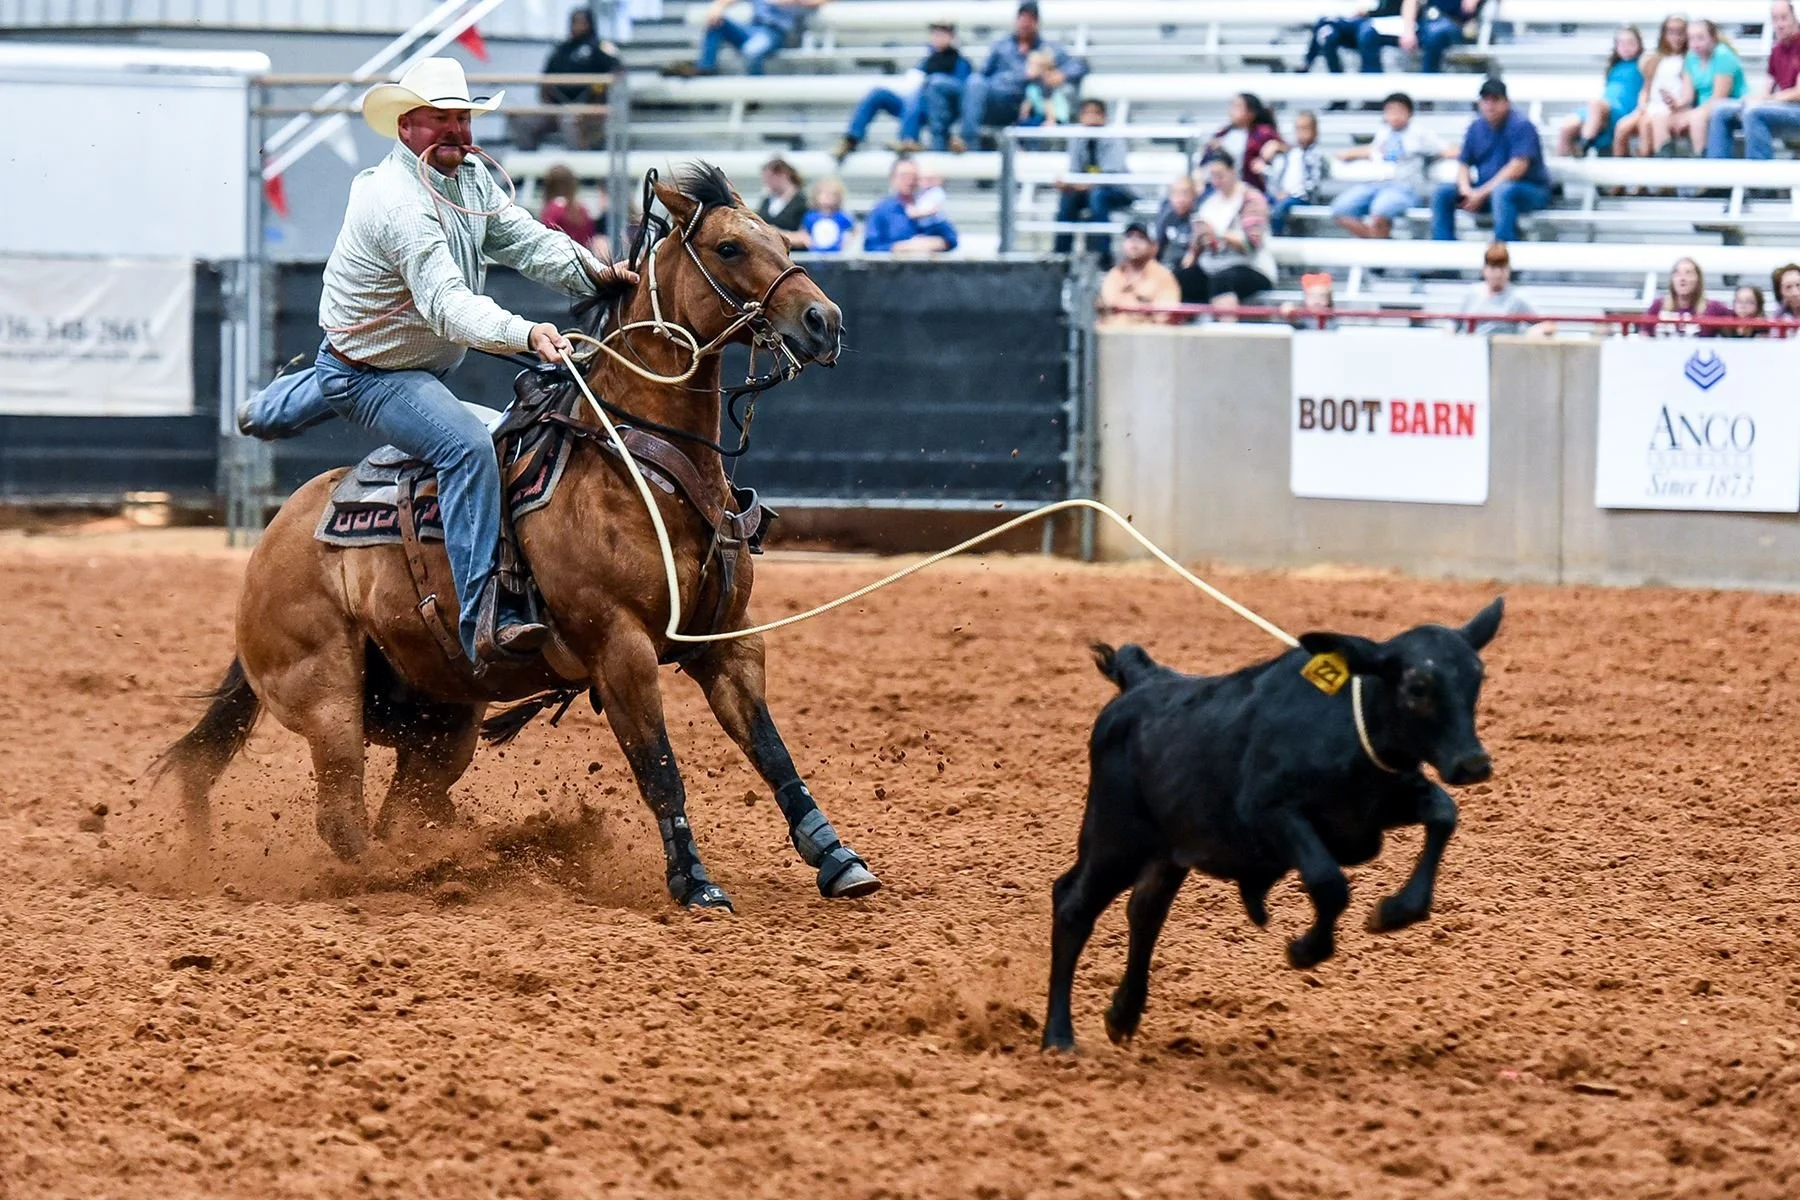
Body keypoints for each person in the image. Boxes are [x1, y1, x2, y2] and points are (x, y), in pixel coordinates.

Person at [236, 58, 636, 669]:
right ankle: (481, 620)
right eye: (440, 119)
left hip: (394, 358)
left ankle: (265, 410)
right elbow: (448, 308)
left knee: (335, 383)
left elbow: (524, 240)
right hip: (375, 373)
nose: (456, 130)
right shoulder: (396, 201)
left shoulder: (470, 178)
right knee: (466, 449)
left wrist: (596, 272)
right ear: (406, 127)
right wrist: (527, 333)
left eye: (463, 117)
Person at [954, 2, 1087, 155]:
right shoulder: (1001, 46)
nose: (1024, 23)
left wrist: (1062, 75)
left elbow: (1080, 66)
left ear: (1036, 22)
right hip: (998, 102)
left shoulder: (1047, 48)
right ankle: (968, 142)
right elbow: (984, 73)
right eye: (1022, 18)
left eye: (1029, 19)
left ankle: (972, 144)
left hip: (1025, 105)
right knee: (974, 82)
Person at [1431, 78, 1551, 243]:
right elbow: (1464, 162)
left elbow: (1517, 168)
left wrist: (1481, 193)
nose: (1490, 105)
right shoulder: (1476, 128)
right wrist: (1466, 190)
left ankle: (1501, 256)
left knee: (1503, 192)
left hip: (1529, 192)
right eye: (1485, 100)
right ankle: (1443, 254)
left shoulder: (1522, 126)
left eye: (1495, 100)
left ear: (1506, 102)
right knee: (1443, 193)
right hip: (1486, 192)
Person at [835, 18, 969, 159]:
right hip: (914, 107)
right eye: (935, 34)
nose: (938, 38)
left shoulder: (960, 64)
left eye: (942, 34)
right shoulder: (927, 61)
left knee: (918, 94)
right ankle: (851, 139)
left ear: (952, 37)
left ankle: (909, 139)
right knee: (877, 94)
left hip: (939, 111)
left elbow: (961, 94)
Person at [507, 5, 619, 151]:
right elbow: (545, 79)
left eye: (581, 22)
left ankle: (579, 167)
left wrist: (599, 95)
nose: (576, 26)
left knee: (569, 119)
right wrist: (547, 102)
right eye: (574, 22)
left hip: (589, 108)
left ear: (590, 24)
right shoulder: (561, 49)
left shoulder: (601, 47)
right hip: (556, 107)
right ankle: (525, 166)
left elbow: (617, 71)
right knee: (521, 120)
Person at [1332, 92, 1440, 240]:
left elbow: (1444, 149)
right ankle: (1381, 244)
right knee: (1341, 208)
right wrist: (1349, 153)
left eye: (1399, 111)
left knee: (1380, 210)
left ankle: (1378, 254)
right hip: (1377, 184)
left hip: (1404, 187)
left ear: (1409, 113)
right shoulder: (1384, 132)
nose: (1394, 116)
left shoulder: (1420, 134)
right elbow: (1373, 150)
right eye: (1390, 111)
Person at [1180, 152, 1277, 314]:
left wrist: (1219, 234)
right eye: (1213, 176)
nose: (1216, 181)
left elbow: (1252, 244)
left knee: (1221, 281)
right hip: (1214, 263)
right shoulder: (1209, 203)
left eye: (1220, 175)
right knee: (1183, 278)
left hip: (1250, 265)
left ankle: (1226, 332)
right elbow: (1201, 245)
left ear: (1232, 171)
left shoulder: (1251, 199)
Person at [1707, 1, 1800, 160]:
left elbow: (1798, 94)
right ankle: (1718, 179)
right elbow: (1768, 86)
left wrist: (1767, 100)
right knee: (1721, 110)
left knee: (1753, 113)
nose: (1779, 24)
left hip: (1795, 109)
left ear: (1795, 18)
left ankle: (1761, 181)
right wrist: (1754, 99)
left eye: (1784, 18)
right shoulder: (1776, 50)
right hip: (1781, 106)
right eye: (1775, 19)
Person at [1055, 99, 1134, 263]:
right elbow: (1075, 171)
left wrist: (1082, 184)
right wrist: (1068, 184)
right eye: (1087, 113)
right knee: (1067, 199)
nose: (1091, 118)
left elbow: (1111, 175)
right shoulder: (1076, 139)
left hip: (1116, 190)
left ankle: (1103, 254)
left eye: (1095, 113)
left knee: (1098, 196)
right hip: (1086, 190)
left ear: (1103, 117)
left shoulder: (1113, 139)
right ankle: (1061, 255)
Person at [664, 0, 826, 77]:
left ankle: (756, 89)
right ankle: (705, 67)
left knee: (752, 50)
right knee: (717, 22)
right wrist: (718, 6)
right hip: (754, 29)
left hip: (775, 33)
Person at [1557, 26, 1645, 157]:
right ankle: (1564, 169)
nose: (1626, 47)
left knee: (1596, 103)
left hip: (1623, 109)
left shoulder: (1643, 64)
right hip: (1600, 110)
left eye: (1630, 43)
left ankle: (1585, 143)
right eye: (1621, 43)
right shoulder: (1614, 66)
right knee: (1567, 126)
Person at [1614, 15, 1687, 158]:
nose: (1676, 37)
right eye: (1671, 32)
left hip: (1671, 109)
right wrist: (1642, 105)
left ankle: (1648, 169)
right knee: (1622, 127)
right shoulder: (1655, 58)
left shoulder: (1687, 59)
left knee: (1646, 126)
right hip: (1651, 106)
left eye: (1680, 32)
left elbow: (1687, 93)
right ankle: (1618, 177)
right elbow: (1646, 88)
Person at [1673, 20, 1746, 156]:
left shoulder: (1723, 56)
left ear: (1712, 38)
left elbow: (1719, 98)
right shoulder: (1690, 57)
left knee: (1696, 118)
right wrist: (1675, 104)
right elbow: (1688, 96)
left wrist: (1689, 115)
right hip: (1702, 107)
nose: (1695, 43)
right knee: (1660, 117)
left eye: (1700, 38)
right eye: (1691, 39)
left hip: (1731, 105)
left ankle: (1702, 162)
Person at [1454, 241, 1553, 336]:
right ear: (1484, 269)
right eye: (1493, 268)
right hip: (1471, 348)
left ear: (1509, 269)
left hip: (1502, 350)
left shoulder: (1517, 297)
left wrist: (1533, 333)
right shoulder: (1472, 293)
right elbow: (1453, 325)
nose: (1498, 274)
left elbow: (1548, 325)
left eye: (1502, 268)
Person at [1359, 0, 1485, 74]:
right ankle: (1372, 95)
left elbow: (1468, 8)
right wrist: (1408, 30)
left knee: (1435, 35)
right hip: (1425, 22)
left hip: (1456, 25)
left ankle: (1427, 93)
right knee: (1369, 33)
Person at [863, 158, 959, 253]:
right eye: (904, 176)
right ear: (893, 178)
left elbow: (951, 238)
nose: (909, 181)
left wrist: (938, 243)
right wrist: (903, 247)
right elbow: (871, 245)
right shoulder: (881, 209)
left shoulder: (927, 204)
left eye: (914, 177)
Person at [1097, 223, 1181, 327]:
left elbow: (1165, 317)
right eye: (1129, 236)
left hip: (1147, 337)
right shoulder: (1114, 274)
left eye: (1141, 237)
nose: (1134, 241)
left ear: (1154, 247)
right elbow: (1104, 311)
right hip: (1112, 335)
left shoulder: (1164, 277)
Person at [1207, 93, 1284, 194]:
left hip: (1252, 188)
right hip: (1222, 189)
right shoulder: (1223, 134)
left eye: (1237, 106)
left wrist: (1277, 146)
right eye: (1232, 106)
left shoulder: (1263, 132)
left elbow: (1288, 149)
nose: (1231, 111)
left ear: (1251, 113)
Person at [1304, 1, 1403, 74]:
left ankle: (1307, 62)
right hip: (1347, 22)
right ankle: (1336, 78)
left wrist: (1368, 11)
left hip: (1371, 22)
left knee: (1325, 23)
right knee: (1328, 34)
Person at [1643, 256, 1732, 336]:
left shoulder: (1714, 308)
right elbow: (1644, 336)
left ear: (1698, 280)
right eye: (1678, 273)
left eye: (1688, 273)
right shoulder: (1657, 306)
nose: (1682, 279)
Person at [1269, 110, 1324, 236]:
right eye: (1298, 128)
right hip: (1283, 194)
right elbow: (1278, 176)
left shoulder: (1315, 154)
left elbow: (1312, 183)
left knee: (1279, 210)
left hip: (1301, 197)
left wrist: (1290, 194)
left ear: (1315, 131)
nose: (1301, 133)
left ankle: (1277, 238)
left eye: (1305, 128)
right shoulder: (1290, 153)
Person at [539, 163, 600, 249]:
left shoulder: (552, 210)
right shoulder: (582, 209)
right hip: (581, 255)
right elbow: (590, 235)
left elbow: (546, 237)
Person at [756, 158, 808, 249]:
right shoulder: (767, 201)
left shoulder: (802, 202)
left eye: (769, 178)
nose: (766, 183)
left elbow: (805, 235)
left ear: (782, 175)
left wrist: (777, 233)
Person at [1018, 48, 1078, 128]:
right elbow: (1028, 101)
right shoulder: (1031, 84)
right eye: (1028, 63)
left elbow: (1048, 103)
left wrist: (1051, 120)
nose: (1029, 67)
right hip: (1041, 115)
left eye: (1033, 65)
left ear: (1043, 69)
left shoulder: (1045, 84)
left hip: (1056, 117)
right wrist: (1023, 116)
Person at [1152, 176, 1198, 275]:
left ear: (1194, 196)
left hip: (1194, 269)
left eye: (1185, 194)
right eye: (1176, 194)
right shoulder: (1166, 217)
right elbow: (1157, 246)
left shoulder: (1199, 217)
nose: (1181, 199)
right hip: (1170, 266)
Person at [799, 178, 855, 252]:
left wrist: (846, 242)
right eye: (824, 194)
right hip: (814, 256)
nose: (827, 197)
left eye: (832, 195)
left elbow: (854, 231)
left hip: (837, 256)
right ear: (816, 196)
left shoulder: (842, 216)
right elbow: (803, 232)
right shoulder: (810, 217)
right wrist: (808, 242)